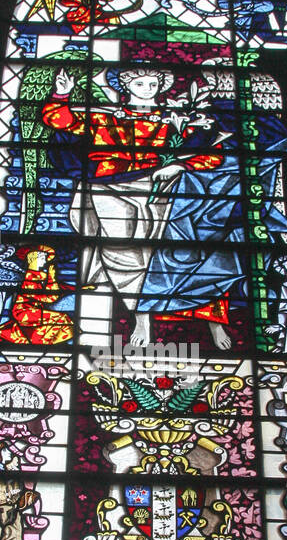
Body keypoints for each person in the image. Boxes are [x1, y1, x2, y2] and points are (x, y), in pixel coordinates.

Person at [42, 65, 227, 345]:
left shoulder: (177, 120)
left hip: (160, 187)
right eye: (140, 84)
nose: (148, 90)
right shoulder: (106, 118)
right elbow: (60, 121)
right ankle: (141, 316)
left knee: (188, 247)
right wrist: (62, 94)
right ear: (126, 86)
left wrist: (178, 165)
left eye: (154, 84)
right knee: (125, 248)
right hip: (108, 186)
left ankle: (211, 320)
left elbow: (212, 153)